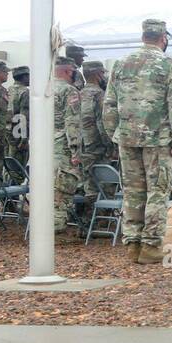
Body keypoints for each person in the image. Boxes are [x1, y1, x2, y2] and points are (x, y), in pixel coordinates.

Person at [102, 18, 172, 263]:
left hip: (127, 139)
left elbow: (108, 105)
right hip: (158, 140)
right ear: (163, 39)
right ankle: (151, 247)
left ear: (143, 37)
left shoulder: (120, 64)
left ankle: (133, 245)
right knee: (157, 192)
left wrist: (116, 135)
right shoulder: (169, 64)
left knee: (132, 192)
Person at [78, 60, 116, 211]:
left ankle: (85, 223)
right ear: (97, 74)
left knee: (86, 183)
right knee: (103, 185)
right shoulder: (100, 95)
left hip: (82, 145)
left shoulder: (78, 93)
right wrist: (110, 145)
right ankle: (100, 220)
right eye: (103, 73)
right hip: (97, 147)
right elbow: (103, 124)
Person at [52, 57, 83, 233]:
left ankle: (41, 226)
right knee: (62, 188)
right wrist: (75, 151)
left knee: (45, 186)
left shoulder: (43, 88)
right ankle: (55, 228)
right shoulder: (69, 91)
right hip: (61, 147)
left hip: (43, 146)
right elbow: (72, 123)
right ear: (67, 71)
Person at [4, 65, 30, 166]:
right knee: (18, 165)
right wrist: (24, 139)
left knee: (8, 162)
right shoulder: (24, 92)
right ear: (24, 77)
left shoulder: (9, 90)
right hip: (18, 132)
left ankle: (7, 181)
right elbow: (23, 116)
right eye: (29, 76)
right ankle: (14, 182)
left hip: (7, 131)